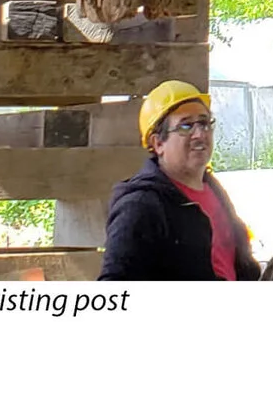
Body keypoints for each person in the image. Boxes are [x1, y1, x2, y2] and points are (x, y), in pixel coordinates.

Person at [100, 80, 263, 281]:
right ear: (158, 143)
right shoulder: (140, 207)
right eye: (186, 126)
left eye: (204, 123)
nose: (200, 134)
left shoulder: (212, 189)